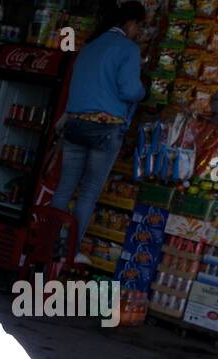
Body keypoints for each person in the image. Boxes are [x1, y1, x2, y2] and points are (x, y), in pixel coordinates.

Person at [50, 1, 147, 262]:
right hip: (104, 128)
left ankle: (48, 244)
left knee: (64, 188)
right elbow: (129, 91)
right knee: (89, 191)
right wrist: (143, 90)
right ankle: (70, 251)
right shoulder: (128, 48)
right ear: (130, 23)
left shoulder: (90, 45)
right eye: (140, 26)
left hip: (75, 123)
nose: (139, 32)